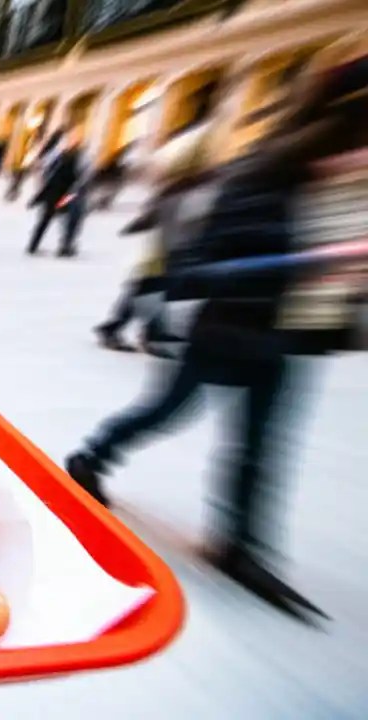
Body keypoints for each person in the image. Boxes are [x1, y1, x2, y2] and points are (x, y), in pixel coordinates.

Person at [65, 57, 368, 622]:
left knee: (263, 446)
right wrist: (313, 262)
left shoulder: (347, 192)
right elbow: (197, 272)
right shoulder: (259, 177)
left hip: (292, 338)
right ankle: (90, 456)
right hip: (226, 331)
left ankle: (242, 546)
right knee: (165, 410)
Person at [95, 119, 219, 356]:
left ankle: (149, 331)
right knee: (146, 290)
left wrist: (137, 225)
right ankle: (116, 329)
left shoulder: (177, 188)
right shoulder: (188, 188)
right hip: (170, 251)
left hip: (167, 250)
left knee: (152, 290)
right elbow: (182, 219)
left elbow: (152, 216)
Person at [26, 126, 82, 256]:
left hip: (54, 194)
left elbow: (49, 176)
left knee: (48, 220)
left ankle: (34, 245)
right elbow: (71, 178)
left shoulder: (60, 157)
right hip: (61, 195)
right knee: (66, 220)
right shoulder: (67, 158)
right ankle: (64, 247)